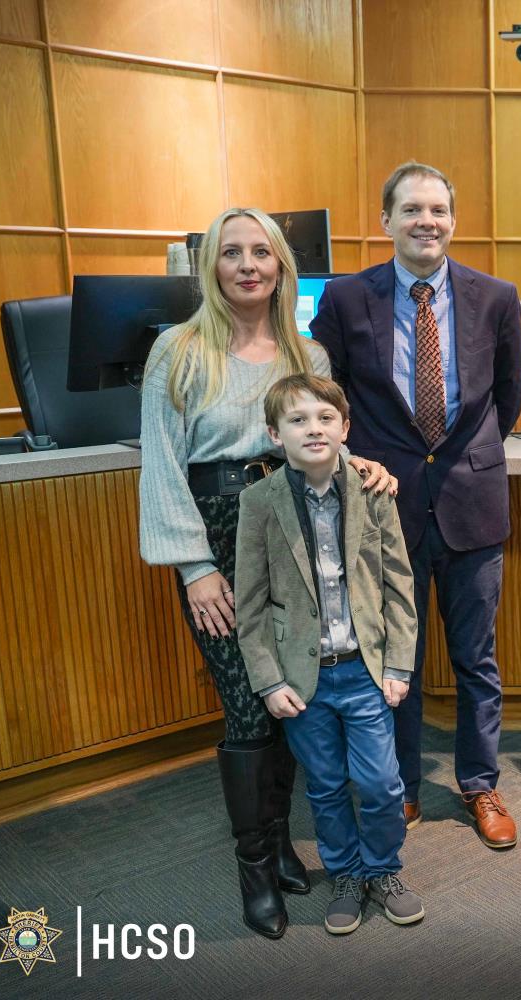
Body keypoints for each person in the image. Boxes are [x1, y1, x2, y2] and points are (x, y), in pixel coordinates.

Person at [138, 207, 395, 939]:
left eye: (262, 253)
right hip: (218, 534)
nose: (247, 265)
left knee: (294, 695)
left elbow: (319, 439)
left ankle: (282, 842)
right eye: (231, 253)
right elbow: (161, 464)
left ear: (281, 266)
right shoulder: (178, 351)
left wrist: (359, 463)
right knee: (248, 704)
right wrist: (194, 567)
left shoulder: (305, 353)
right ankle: (255, 865)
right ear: (211, 267)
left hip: (292, 529)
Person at [311, 161, 521, 846]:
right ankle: (399, 784)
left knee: (475, 656)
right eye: (410, 210)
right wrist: (355, 460)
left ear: (453, 221)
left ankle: (480, 784)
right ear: (386, 221)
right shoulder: (347, 300)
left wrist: (470, 458)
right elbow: (328, 397)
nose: (424, 221)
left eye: (436, 210)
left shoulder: (496, 296)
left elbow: (507, 398)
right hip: (383, 505)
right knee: (393, 655)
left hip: (472, 500)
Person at [235, 374, 423, 935]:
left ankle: (384, 870)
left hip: (365, 673)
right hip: (304, 678)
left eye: (324, 418)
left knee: (382, 784)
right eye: (297, 420)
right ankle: (345, 875)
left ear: (345, 427)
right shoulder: (259, 502)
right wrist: (269, 681)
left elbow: (399, 584)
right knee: (325, 785)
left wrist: (398, 664)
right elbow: (250, 603)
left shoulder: (374, 490)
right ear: (275, 433)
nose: (313, 429)